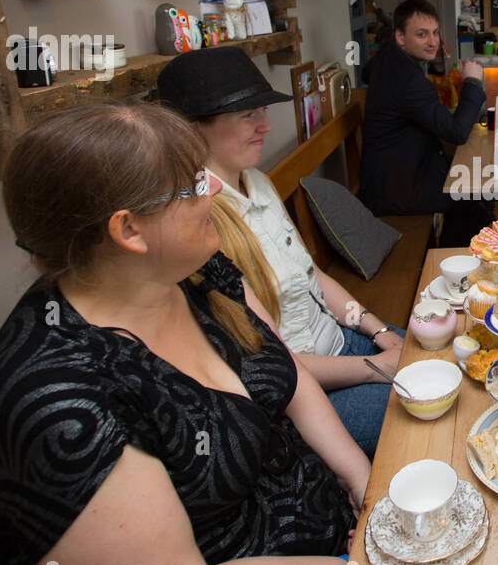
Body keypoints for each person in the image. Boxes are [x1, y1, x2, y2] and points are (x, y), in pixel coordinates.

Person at [0, 103, 370, 565]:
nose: (214, 189)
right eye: (194, 184)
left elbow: (286, 373)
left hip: (339, 543)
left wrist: (358, 477)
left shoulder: (195, 267)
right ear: (129, 231)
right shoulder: (56, 404)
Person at [157, 47, 400, 457]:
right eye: (247, 114)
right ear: (193, 129)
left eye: (262, 111)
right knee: (435, 401)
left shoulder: (258, 182)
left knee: (446, 356)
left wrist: (376, 331)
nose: (266, 125)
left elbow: (312, 276)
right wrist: (377, 368)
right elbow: (273, 365)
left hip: (341, 343)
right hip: (302, 397)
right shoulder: (200, 226)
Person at [358, 0, 493, 247]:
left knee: (473, 186)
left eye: (434, 33)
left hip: (390, 175)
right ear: (400, 37)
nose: (432, 42)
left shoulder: (388, 61)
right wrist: (472, 82)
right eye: (422, 35)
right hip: (396, 190)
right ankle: (457, 265)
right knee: (477, 197)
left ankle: (452, 253)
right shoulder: (409, 82)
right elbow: (457, 132)